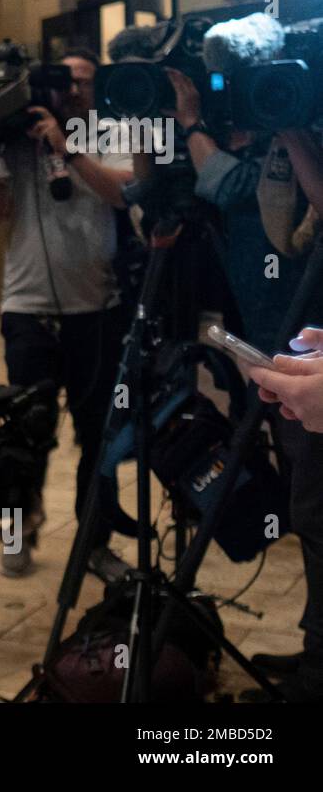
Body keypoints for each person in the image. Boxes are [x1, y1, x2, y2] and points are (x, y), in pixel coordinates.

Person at [165, 69, 323, 702]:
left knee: (315, 509)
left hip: (305, 343)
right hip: (278, 345)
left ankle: (319, 673)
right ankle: (318, 651)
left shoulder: (296, 143)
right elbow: (206, 186)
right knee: (308, 508)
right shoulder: (260, 150)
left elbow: (227, 184)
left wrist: (198, 123)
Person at [0, 48, 133, 580]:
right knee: (25, 432)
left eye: (83, 82)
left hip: (95, 312)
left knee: (97, 435)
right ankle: (19, 525)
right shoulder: (18, 141)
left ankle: (94, 542)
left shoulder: (112, 134)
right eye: (63, 82)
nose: (73, 92)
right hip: (28, 310)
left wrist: (71, 150)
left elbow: (123, 194)